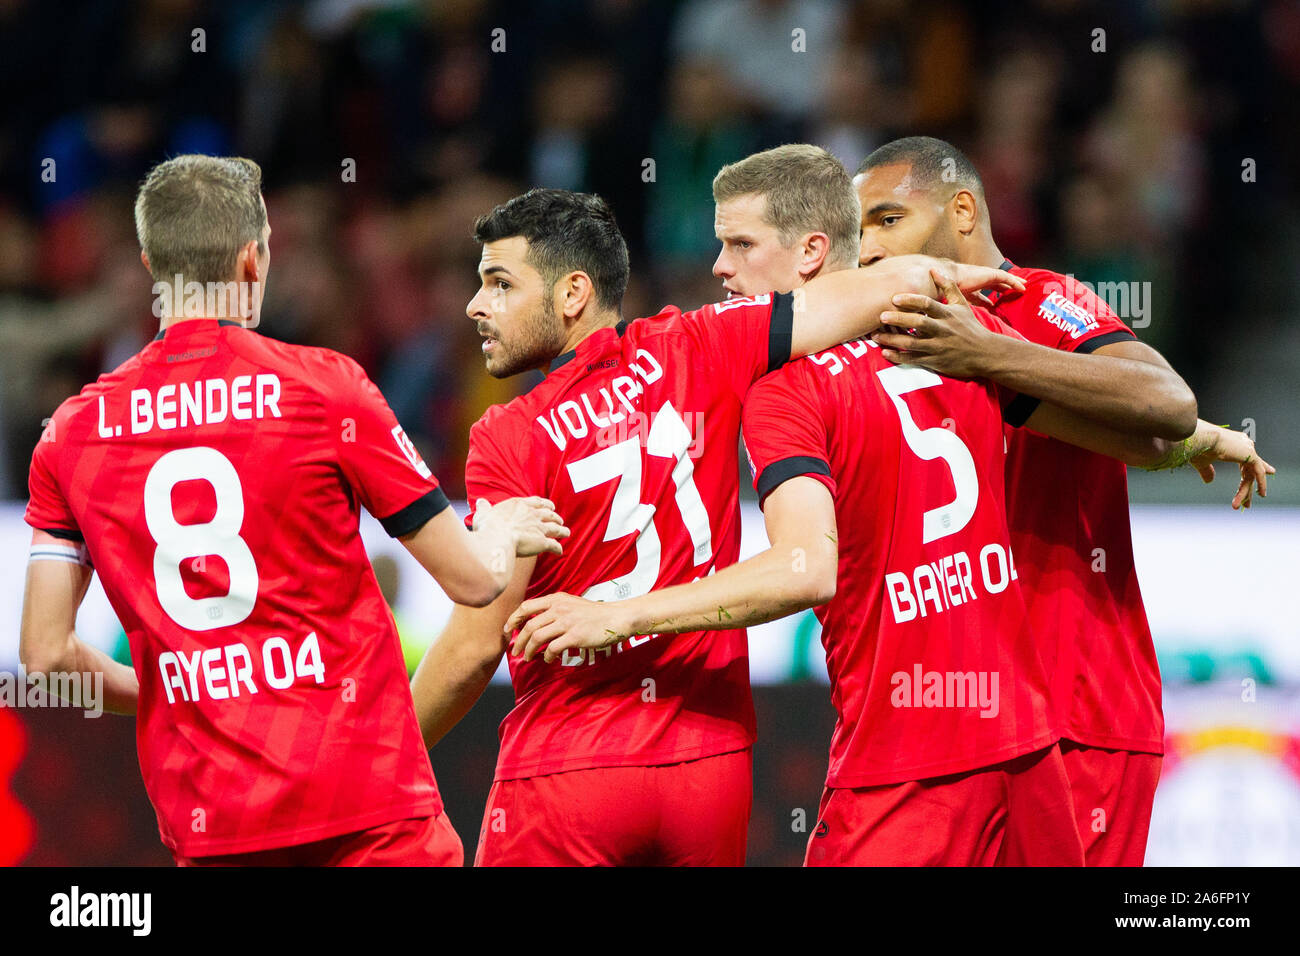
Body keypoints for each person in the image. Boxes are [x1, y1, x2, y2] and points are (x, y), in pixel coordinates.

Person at [506, 144, 1272, 865]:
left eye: (741, 247)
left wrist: (620, 614)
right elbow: (1131, 435)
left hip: (903, 768)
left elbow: (803, 571)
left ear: (810, 253)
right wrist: (1202, 439)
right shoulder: (948, 340)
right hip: (1026, 753)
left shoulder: (786, 392)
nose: (720, 267)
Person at [410, 183, 1022, 866]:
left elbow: (471, 651)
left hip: (567, 769)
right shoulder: (704, 344)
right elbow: (881, 287)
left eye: (499, 284)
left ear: (572, 293)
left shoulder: (508, 436)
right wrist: (963, 275)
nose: (476, 306)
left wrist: (384, 755)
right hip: (709, 768)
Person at [19, 154, 567, 867]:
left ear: (153, 262)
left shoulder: (71, 432)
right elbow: (471, 583)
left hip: (216, 826)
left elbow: (44, 655)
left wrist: (169, 691)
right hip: (370, 812)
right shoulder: (325, 389)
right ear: (254, 259)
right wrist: (498, 531)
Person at [852, 136, 1272, 864]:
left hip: (1074, 709)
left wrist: (986, 352)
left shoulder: (1040, 298)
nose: (867, 249)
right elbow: (1146, 438)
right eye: (858, 230)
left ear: (961, 210)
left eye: (887, 220)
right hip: (952, 720)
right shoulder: (886, 340)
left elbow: (1166, 399)